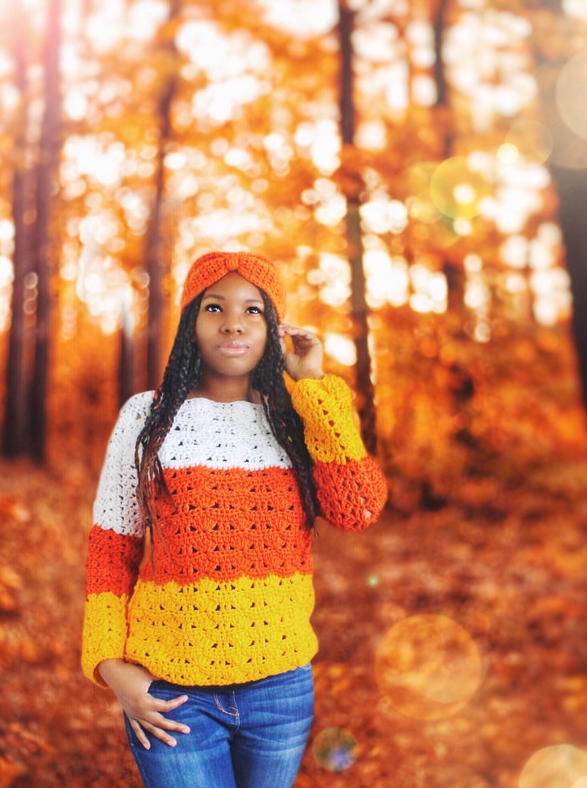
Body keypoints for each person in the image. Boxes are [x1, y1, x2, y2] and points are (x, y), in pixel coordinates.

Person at [81, 251, 387, 788]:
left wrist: (313, 384)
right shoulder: (146, 416)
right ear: (190, 324)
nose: (233, 323)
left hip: (280, 690)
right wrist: (110, 663)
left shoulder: (295, 419)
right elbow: (112, 548)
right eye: (214, 308)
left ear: (274, 328)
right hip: (172, 693)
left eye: (253, 311)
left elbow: (357, 508)